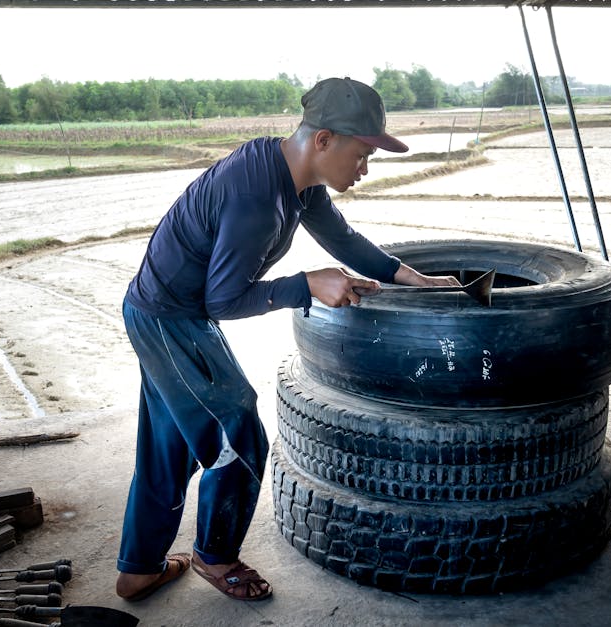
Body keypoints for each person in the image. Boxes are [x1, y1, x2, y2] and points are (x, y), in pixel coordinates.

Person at [114, 77, 459, 603]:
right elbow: (223, 302)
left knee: (170, 445)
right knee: (237, 431)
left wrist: (414, 278)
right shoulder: (256, 198)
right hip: (171, 318)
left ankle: (139, 569)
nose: (365, 168)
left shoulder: (293, 177)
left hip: (162, 311)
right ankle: (216, 556)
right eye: (363, 153)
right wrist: (307, 285)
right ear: (324, 140)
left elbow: (344, 240)